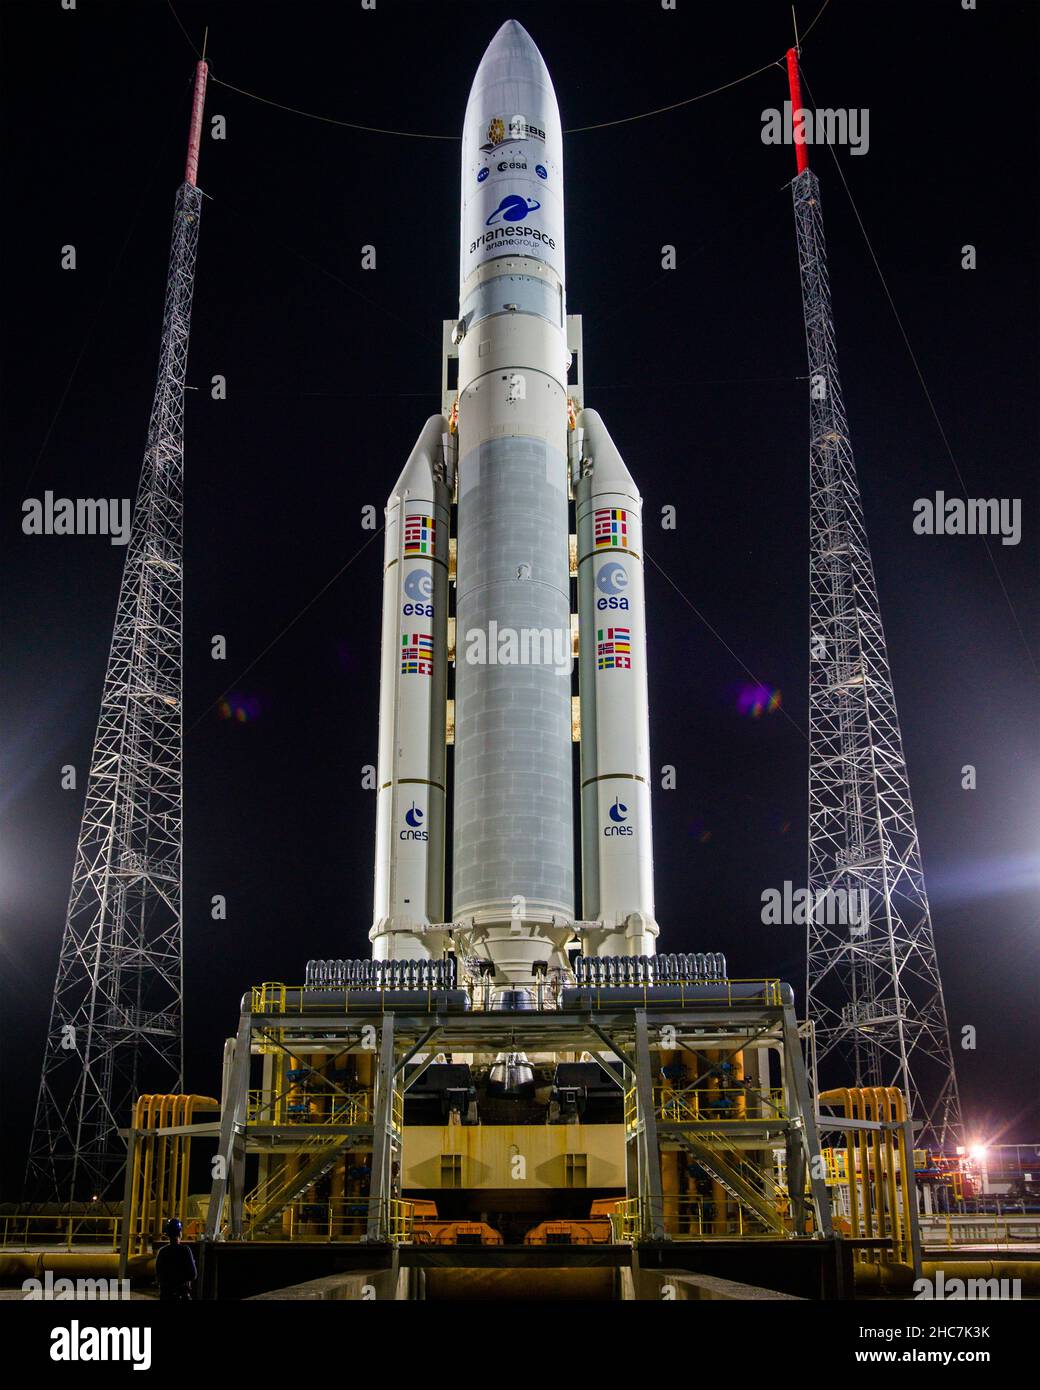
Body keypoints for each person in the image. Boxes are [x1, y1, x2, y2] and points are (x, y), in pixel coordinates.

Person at [155, 1218, 196, 1301]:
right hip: (181, 1294)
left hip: (166, 1295)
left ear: (167, 1234)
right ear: (180, 1233)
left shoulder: (162, 1251)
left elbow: (159, 1276)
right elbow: (193, 1274)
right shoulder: (185, 1250)